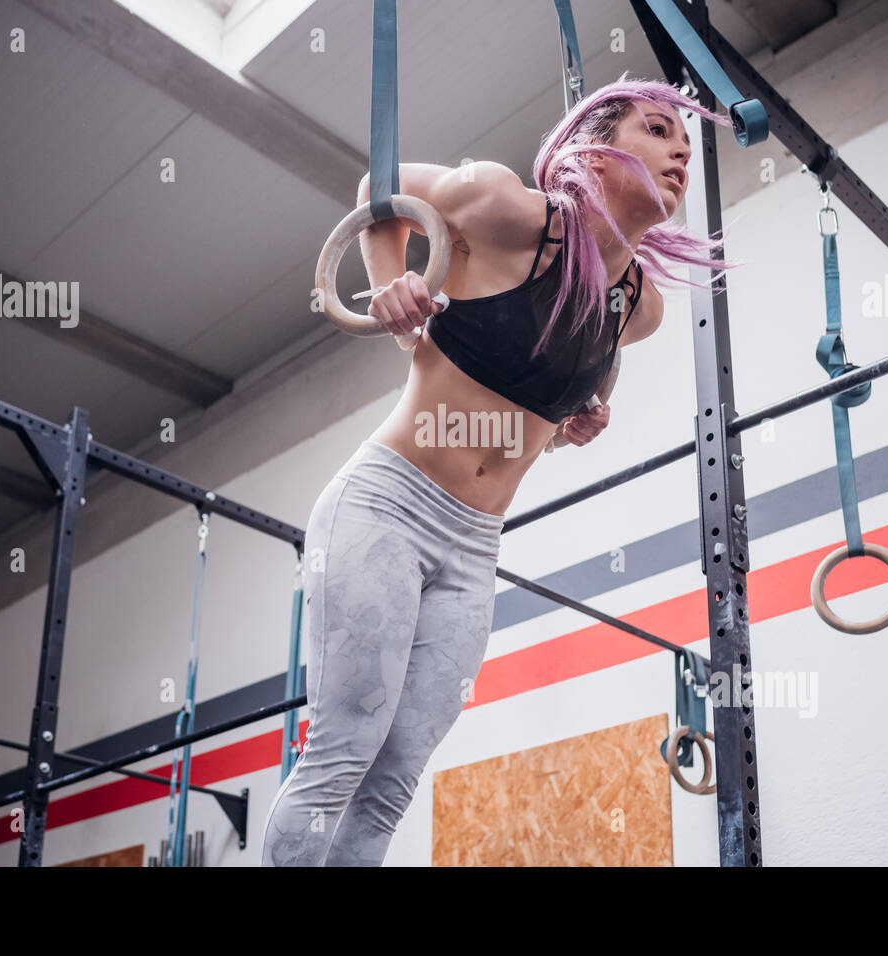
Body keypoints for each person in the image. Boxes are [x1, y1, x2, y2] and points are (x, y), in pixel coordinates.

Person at [261, 76, 727, 866]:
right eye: (658, 128)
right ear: (594, 149)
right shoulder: (508, 211)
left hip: (475, 548)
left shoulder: (635, 309)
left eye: (687, 139)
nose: (683, 148)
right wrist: (390, 289)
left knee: (394, 779)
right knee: (344, 750)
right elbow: (380, 189)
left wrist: (578, 417)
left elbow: (561, 384)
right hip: (387, 507)